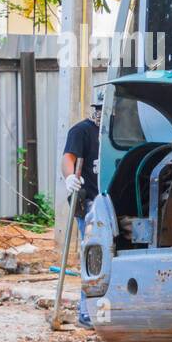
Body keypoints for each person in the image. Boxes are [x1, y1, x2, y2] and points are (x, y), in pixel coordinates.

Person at [61, 97, 102, 329]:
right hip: (90, 203)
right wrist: (70, 176)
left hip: (113, 201)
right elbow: (68, 158)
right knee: (93, 257)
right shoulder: (82, 132)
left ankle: (106, 313)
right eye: (100, 110)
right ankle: (87, 312)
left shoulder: (121, 131)